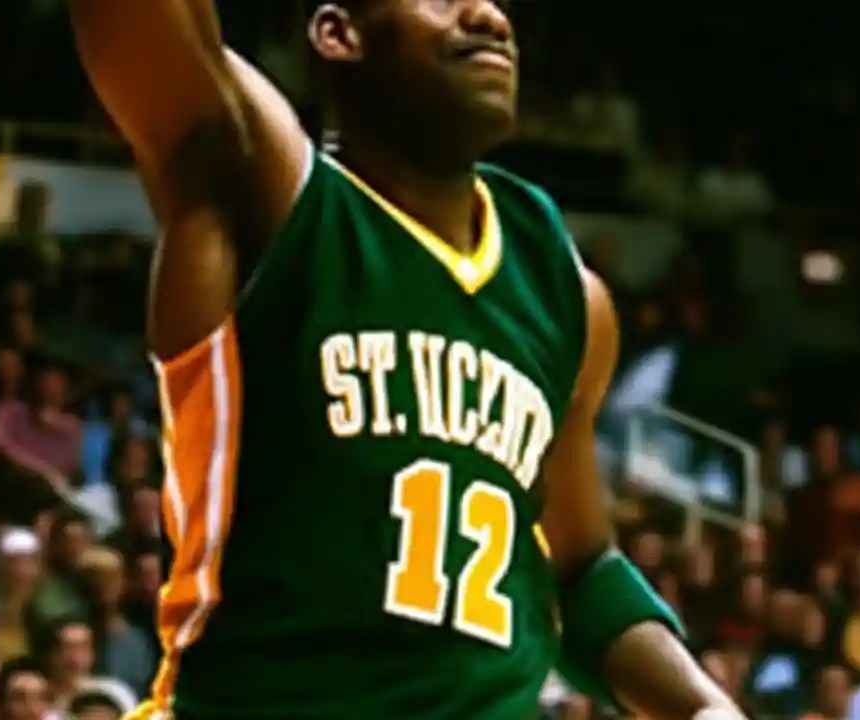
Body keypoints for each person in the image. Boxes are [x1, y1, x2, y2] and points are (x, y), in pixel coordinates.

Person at [71, 1, 741, 719]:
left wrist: (702, 706)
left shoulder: (566, 294)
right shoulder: (265, 189)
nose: (488, 14)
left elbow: (576, 571)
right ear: (340, 34)